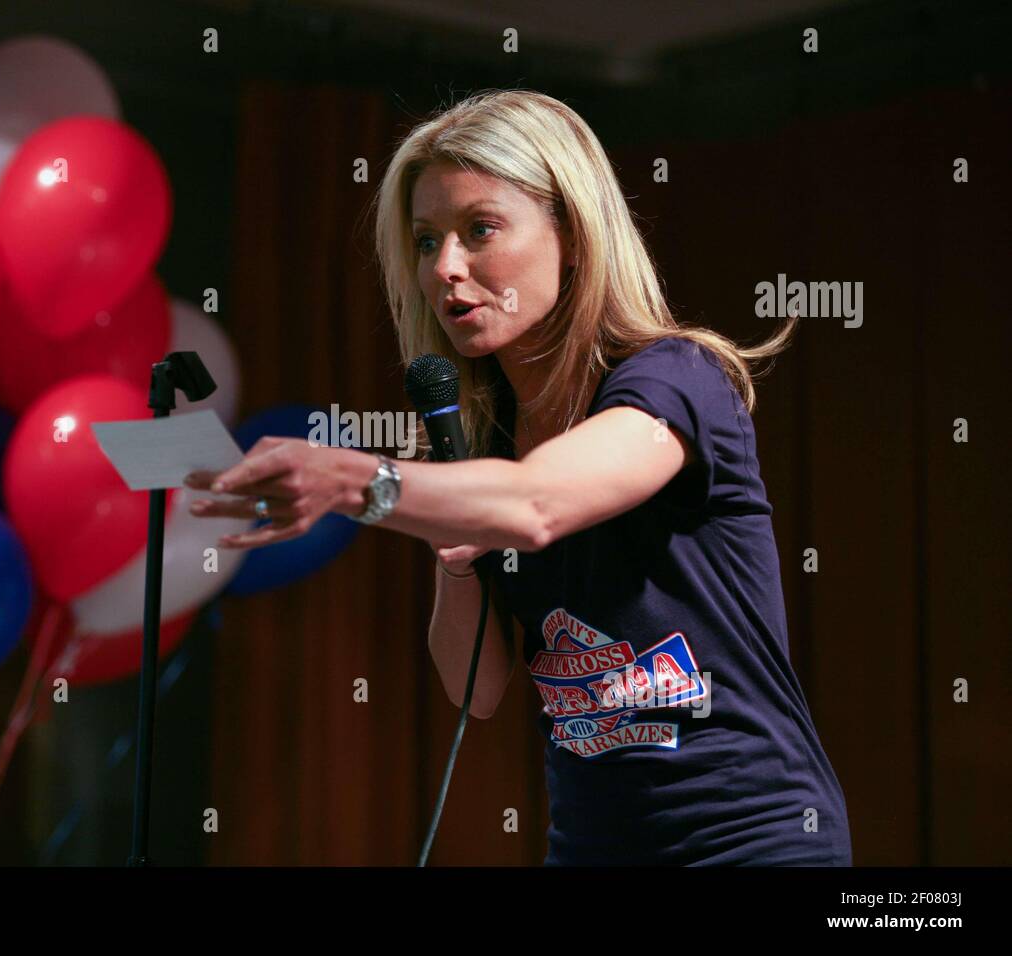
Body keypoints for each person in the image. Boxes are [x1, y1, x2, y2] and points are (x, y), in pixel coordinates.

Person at [184, 89, 851, 866]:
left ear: (570, 231)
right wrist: (455, 557)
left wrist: (355, 481)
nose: (447, 268)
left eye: (481, 229)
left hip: (748, 844)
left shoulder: (678, 379)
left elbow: (539, 506)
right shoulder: (484, 447)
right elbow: (478, 688)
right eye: (427, 241)